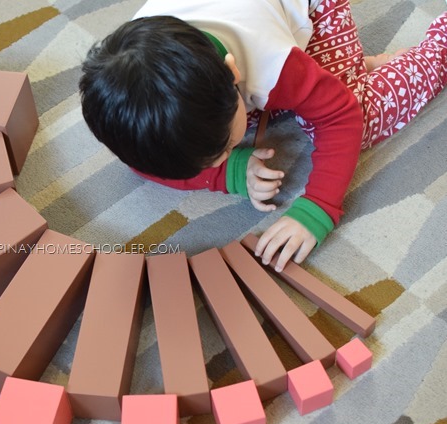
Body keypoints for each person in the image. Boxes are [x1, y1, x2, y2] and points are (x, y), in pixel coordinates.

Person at [79, 0, 447, 271]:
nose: (224, 156)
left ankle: (437, 51)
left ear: (232, 73)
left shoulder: (273, 64)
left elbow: (340, 117)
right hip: (251, 31)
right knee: (236, 122)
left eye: (223, 149)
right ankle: (339, 73)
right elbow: (143, 162)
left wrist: (317, 208)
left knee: (362, 116)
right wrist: (228, 173)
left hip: (314, 9)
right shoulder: (124, 89)